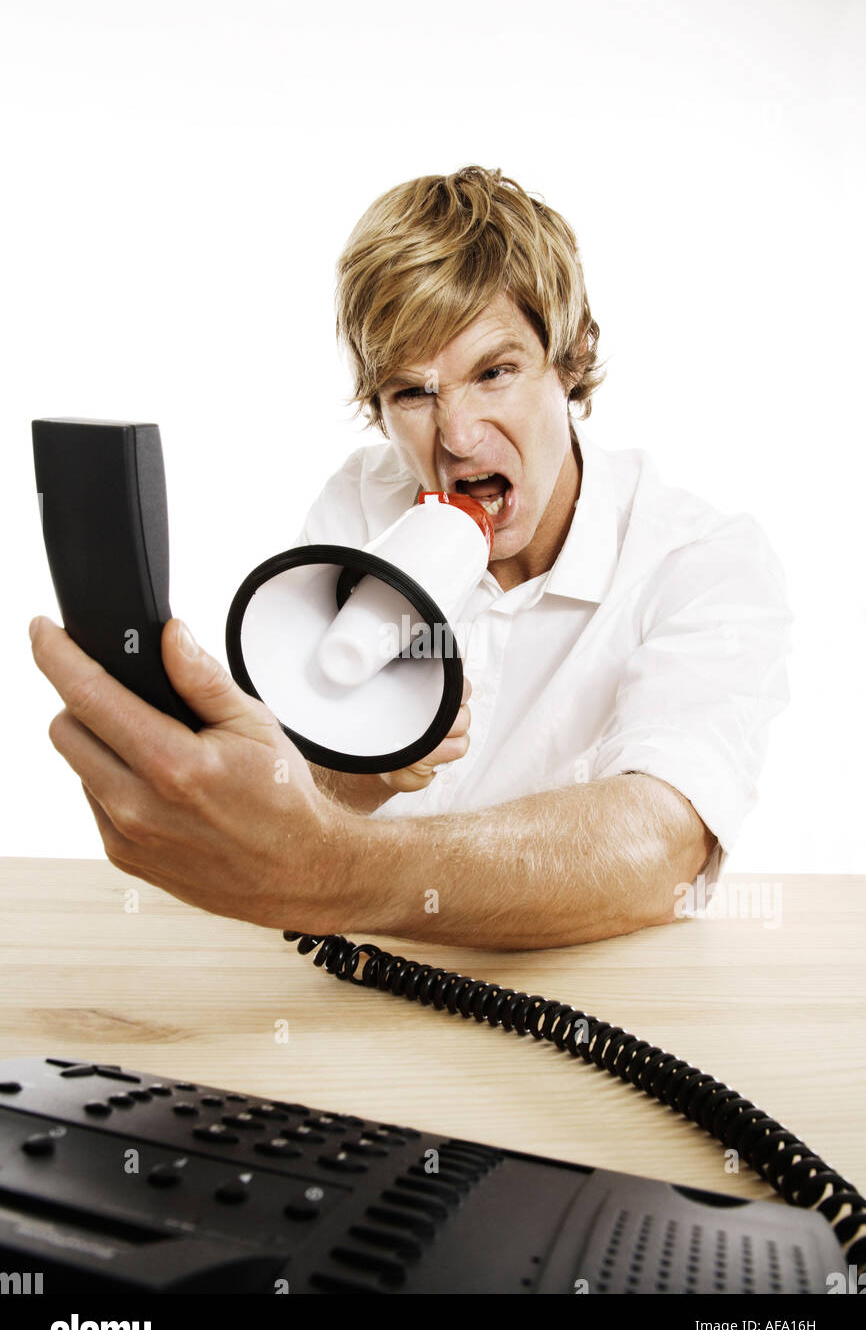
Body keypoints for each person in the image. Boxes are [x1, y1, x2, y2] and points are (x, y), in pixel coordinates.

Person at [30, 165, 792, 950]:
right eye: (412, 393)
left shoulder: (701, 561)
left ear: (569, 360)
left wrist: (331, 873)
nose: (457, 436)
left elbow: (662, 846)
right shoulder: (362, 509)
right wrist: (352, 778)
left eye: (494, 372)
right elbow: (296, 788)